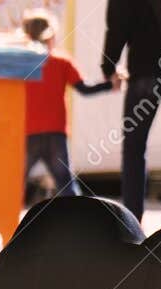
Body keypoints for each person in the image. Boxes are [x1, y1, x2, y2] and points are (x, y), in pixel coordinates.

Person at [102, 0, 161, 217]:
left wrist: (109, 67)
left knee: (134, 150)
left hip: (144, 73)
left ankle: (131, 222)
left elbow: (117, 27)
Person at [22, 10, 115, 199]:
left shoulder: (20, 64)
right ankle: (79, 221)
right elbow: (85, 88)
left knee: (15, 185)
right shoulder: (61, 62)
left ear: (27, 33)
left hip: (28, 133)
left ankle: (5, 224)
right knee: (67, 186)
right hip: (56, 134)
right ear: (52, 35)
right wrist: (110, 84)